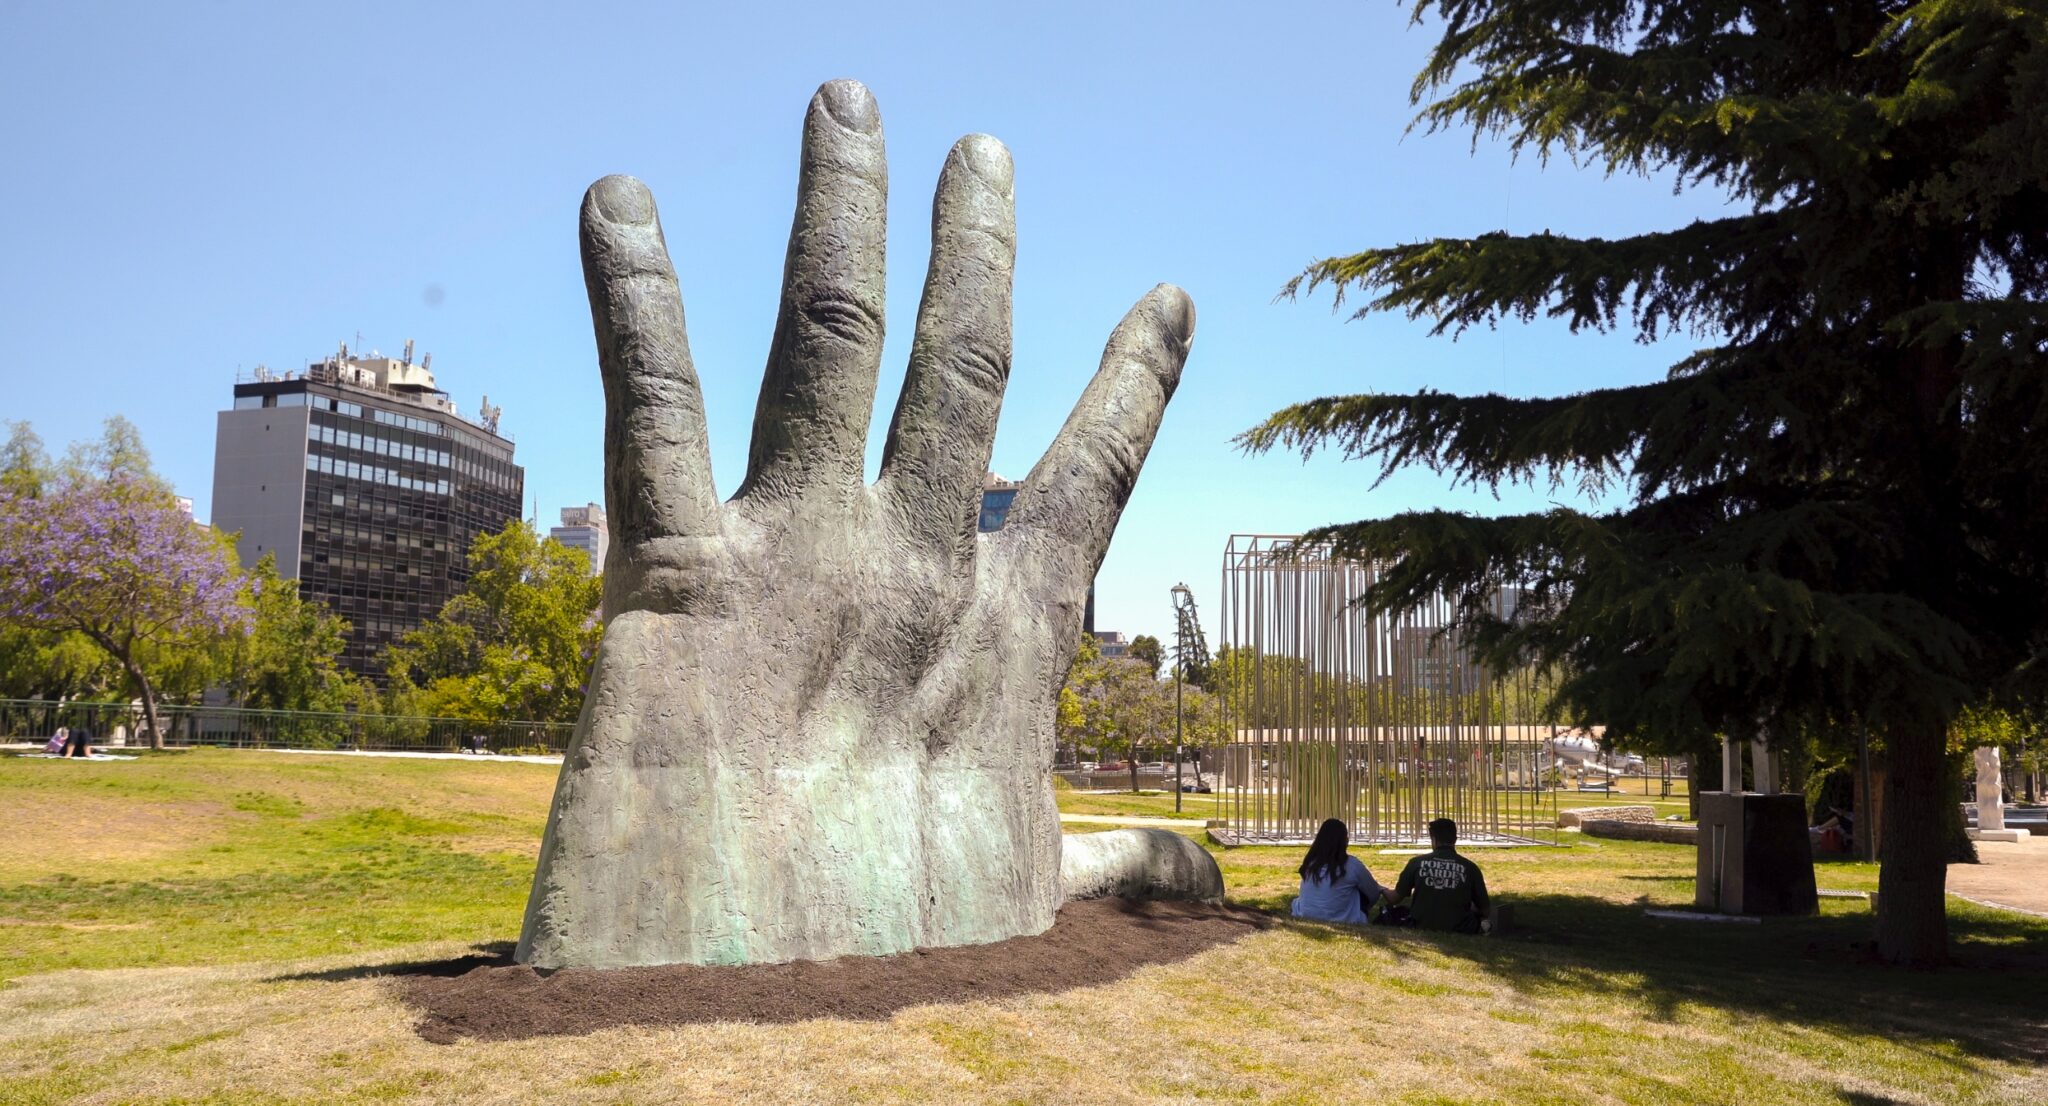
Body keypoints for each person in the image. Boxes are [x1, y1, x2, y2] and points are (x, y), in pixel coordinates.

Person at [1391, 818, 1490, 933]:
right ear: (1455, 840)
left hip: (1420, 925)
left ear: (1433, 839)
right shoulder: (1470, 868)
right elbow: (1485, 910)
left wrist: (1380, 889)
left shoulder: (1416, 863)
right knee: (1486, 924)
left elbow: (1394, 898)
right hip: (1460, 928)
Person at [1290, 818, 1386, 926]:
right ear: (1344, 841)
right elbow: (1373, 893)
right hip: (1344, 919)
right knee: (1358, 890)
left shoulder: (1310, 863)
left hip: (1304, 914)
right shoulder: (1352, 865)